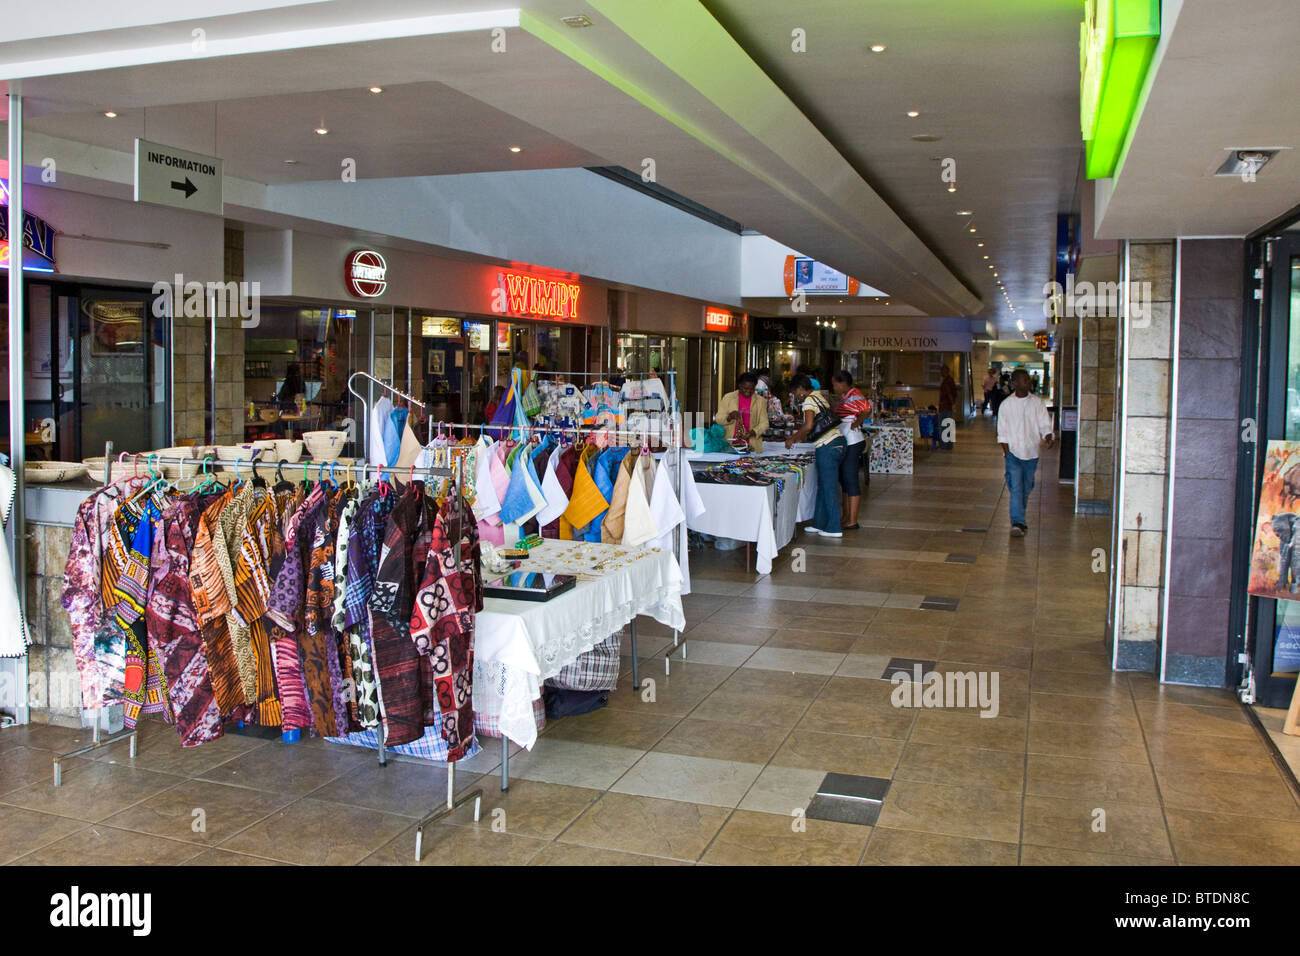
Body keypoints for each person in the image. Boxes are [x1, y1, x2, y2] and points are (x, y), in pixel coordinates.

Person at [997, 368, 1056, 537]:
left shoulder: (1037, 402)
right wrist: (1007, 454)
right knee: (1016, 487)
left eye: (1028, 379)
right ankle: (1018, 522)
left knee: (1026, 487)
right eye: (1024, 380)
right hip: (1013, 453)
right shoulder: (1006, 405)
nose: (1028, 382)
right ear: (1015, 383)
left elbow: (1044, 423)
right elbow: (1002, 432)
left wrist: (1048, 435)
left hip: (1031, 453)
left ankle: (1019, 515)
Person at [786, 374, 846, 537]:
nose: (795, 395)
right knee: (823, 486)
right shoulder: (819, 395)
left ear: (800, 388)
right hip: (837, 442)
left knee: (828, 488)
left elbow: (808, 425)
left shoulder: (809, 401)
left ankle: (834, 527)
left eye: (795, 392)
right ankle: (819, 523)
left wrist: (792, 439)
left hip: (827, 445)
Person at [830, 370, 871, 530]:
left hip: (854, 442)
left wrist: (857, 422)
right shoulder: (846, 396)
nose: (833, 387)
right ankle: (846, 516)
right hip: (848, 441)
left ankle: (852, 520)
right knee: (845, 480)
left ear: (842, 383)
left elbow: (867, 409)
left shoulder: (854, 394)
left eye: (834, 384)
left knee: (850, 479)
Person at [715, 371, 769, 452]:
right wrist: (730, 417)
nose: (748, 391)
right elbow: (718, 419)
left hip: (751, 447)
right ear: (739, 386)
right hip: (729, 446)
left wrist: (752, 432)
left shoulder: (760, 401)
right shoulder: (728, 398)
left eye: (752, 389)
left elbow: (764, 423)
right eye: (745, 388)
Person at [937, 365, 958, 450]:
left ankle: (943, 446)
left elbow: (949, 393)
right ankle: (949, 446)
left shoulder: (946, 381)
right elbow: (954, 393)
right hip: (948, 406)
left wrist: (952, 404)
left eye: (942, 371)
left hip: (945, 406)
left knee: (943, 426)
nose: (941, 373)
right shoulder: (950, 380)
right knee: (949, 426)